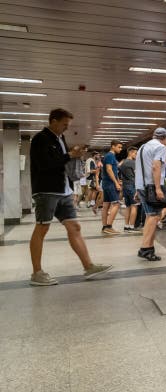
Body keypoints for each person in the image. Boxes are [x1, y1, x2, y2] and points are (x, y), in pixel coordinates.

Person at [28, 108, 113, 286]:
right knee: (42, 228)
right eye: (64, 124)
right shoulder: (40, 139)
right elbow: (45, 164)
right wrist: (69, 155)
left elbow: (60, 161)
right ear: (53, 121)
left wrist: (72, 153)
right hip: (46, 190)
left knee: (74, 227)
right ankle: (37, 273)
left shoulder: (60, 139)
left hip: (63, 190)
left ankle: (88, 266)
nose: (66, 128)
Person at [135, 127, 166, 261]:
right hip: (151, 186)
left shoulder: (142, 147)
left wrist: (137, 189)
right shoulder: (160, 147)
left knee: (152, 216)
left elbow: (139, 169)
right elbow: (156, 167)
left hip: (142, 186)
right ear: (165, 138)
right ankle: (145, 248)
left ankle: (148, 247)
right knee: (153, 217)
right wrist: (158, 188)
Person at [100, 140, 123, 235]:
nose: (120, 149)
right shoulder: (109, 156)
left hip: (108, 183)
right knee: (116, 204)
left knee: (106, 205)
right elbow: (109, 170)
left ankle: (105, 227)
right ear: (113, 146)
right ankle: (109, 226)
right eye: (119, 147)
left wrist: (118, 181)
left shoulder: (111, 156)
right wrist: (116, 183)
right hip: (109, 183)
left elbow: (114, 170)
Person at [118, 146, 140, 233]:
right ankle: (131, 227)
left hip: (125, 186)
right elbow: (136, 176)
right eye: (135, 153)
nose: (136, 155)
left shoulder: (123, 163)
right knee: (134, 206)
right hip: (132, 186)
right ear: (130, 153)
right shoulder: (132, 163)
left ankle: (126, 226)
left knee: (127, 207)